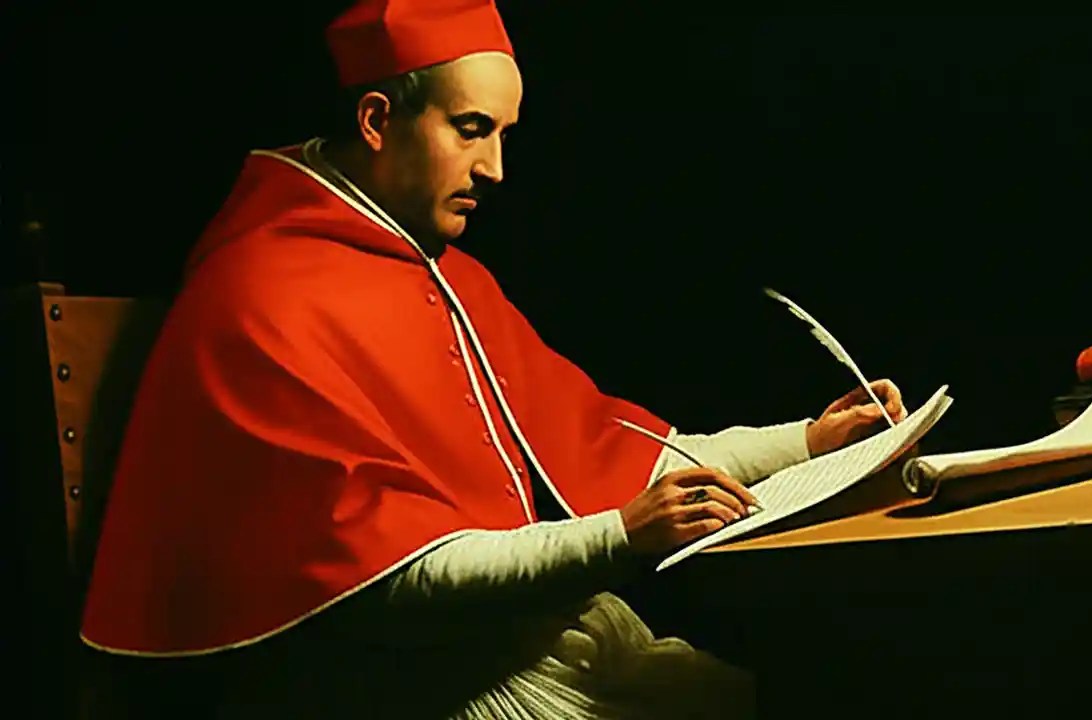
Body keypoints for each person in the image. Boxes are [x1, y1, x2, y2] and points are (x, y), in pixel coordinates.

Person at [79, 1, 907, 717]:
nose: (496, 170)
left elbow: (614, 456)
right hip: (400, 693)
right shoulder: (261, 295)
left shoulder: (445, 274)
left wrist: (808, 441)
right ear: (376, 120)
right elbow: (379, 583)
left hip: (517, 652)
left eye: (504, 135)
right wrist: (620, 537)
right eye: (472, 130)